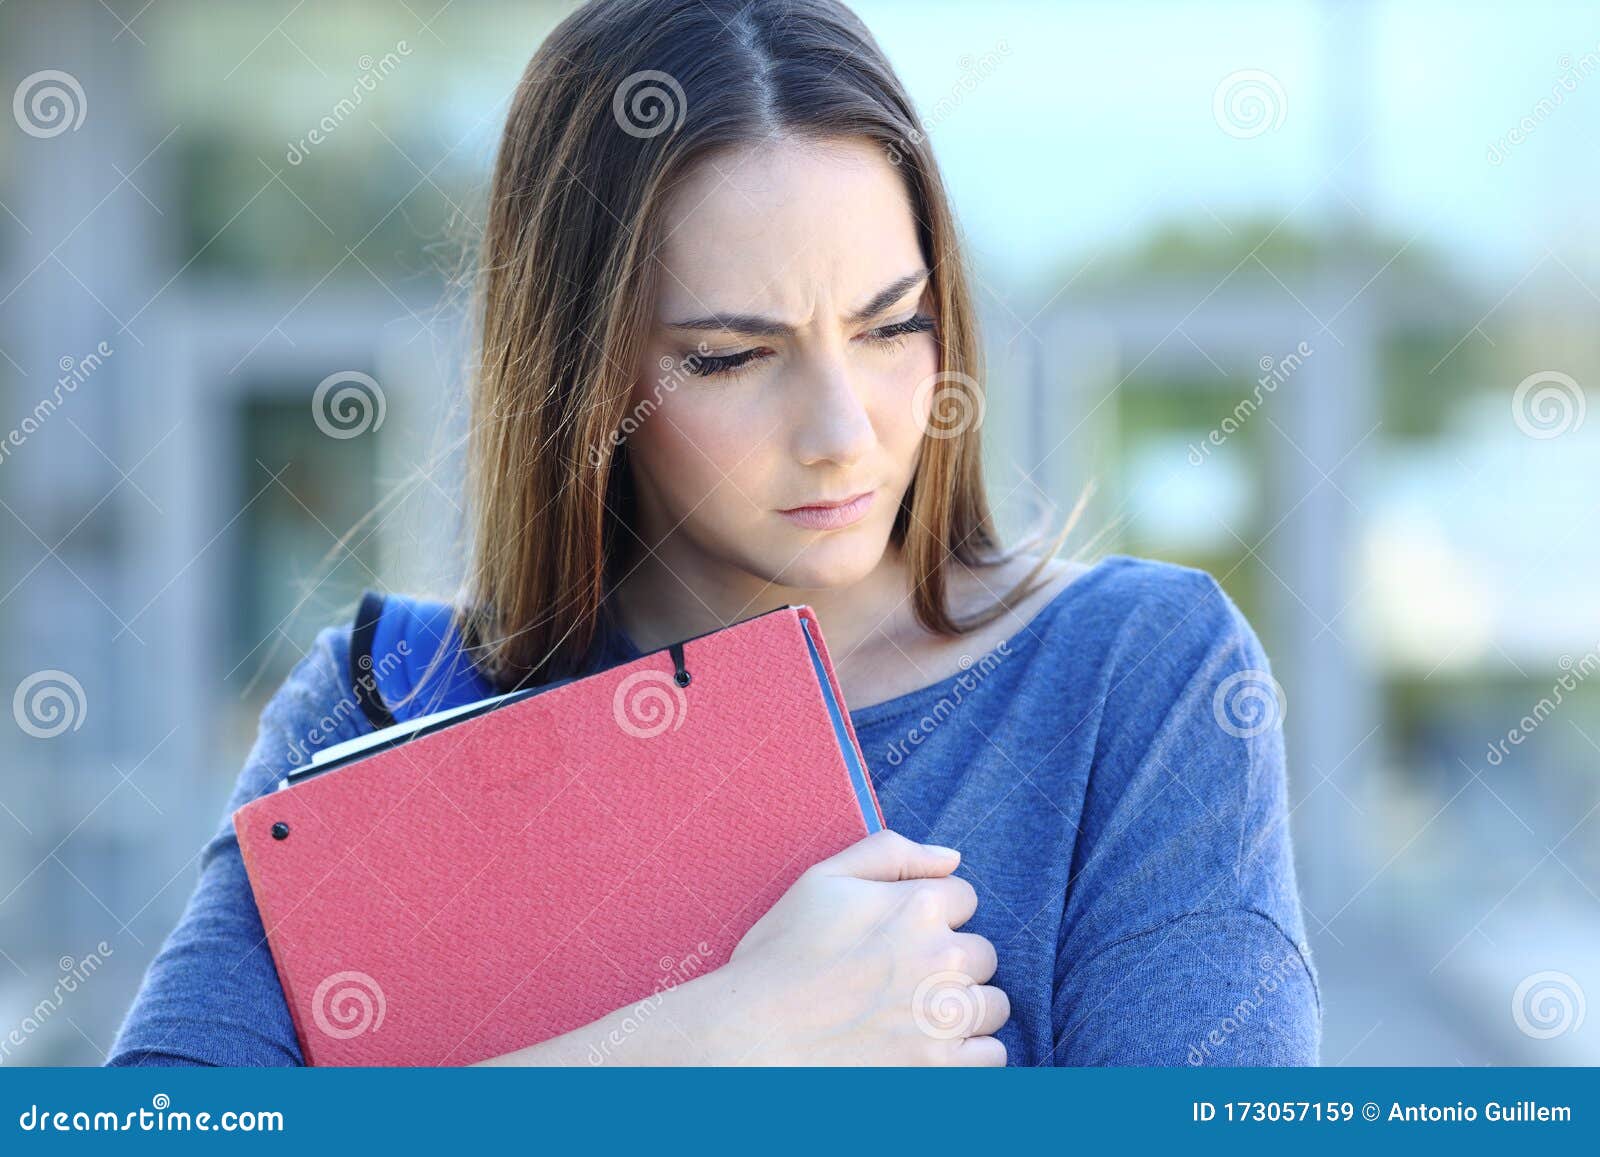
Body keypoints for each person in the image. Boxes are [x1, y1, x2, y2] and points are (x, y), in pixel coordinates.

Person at [107, 0, 1319, 1067]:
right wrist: (719, 1042)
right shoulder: (384, 703)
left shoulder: (1133, 678)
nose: (845, 431)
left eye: (892, 326)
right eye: (732, 356)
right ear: (587, 380)